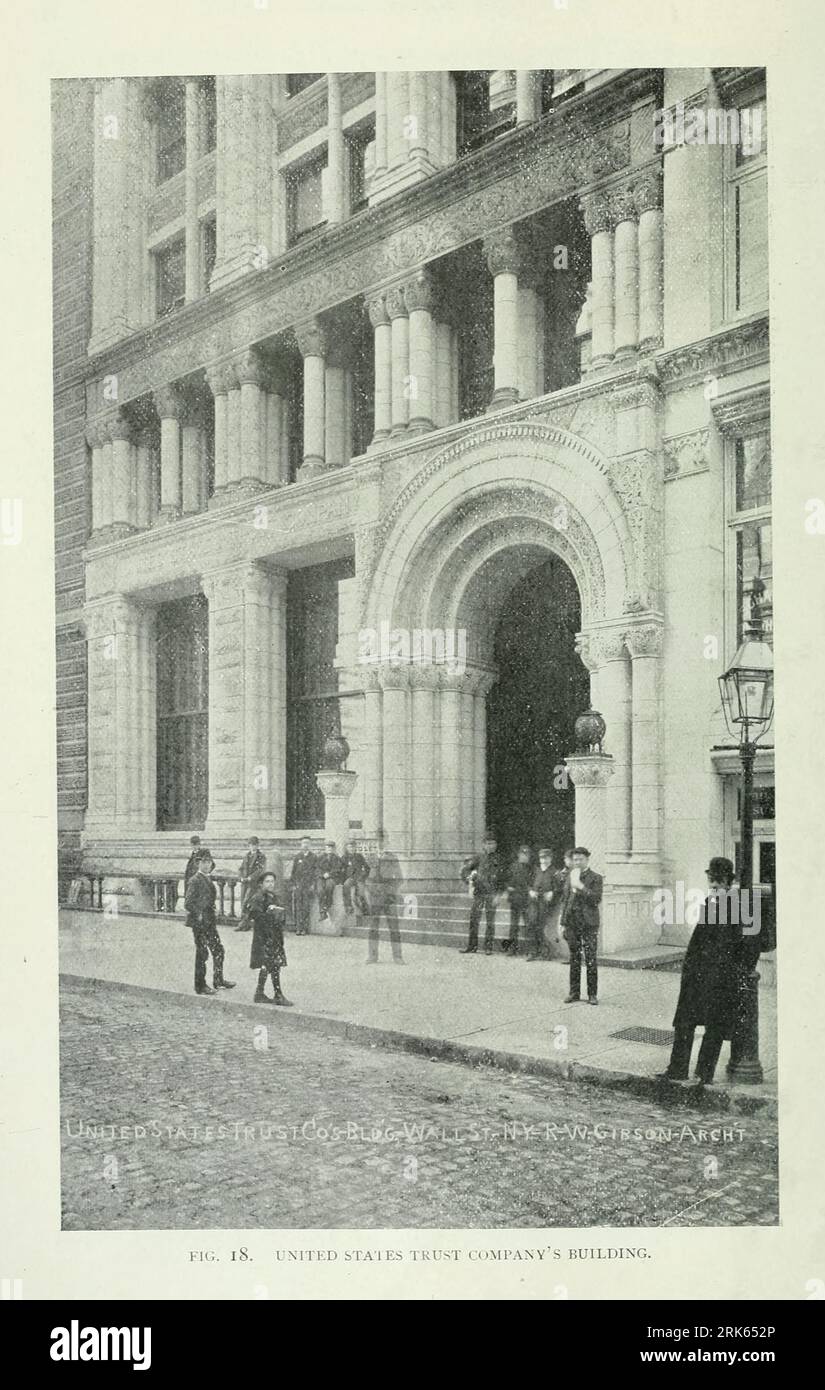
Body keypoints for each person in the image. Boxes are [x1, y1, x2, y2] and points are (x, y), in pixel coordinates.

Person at [661, 857, 743, 1086]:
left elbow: (737, 944)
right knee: (684, 1022)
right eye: (711, 883)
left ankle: (703, 1074)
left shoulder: (737, 905)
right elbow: (699, 939)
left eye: (717, 884)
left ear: (728, 883)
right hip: (697, 975)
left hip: (720, 978)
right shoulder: (710, 902)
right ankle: (677, 1069)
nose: (714, 887)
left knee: (714, 1026)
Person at [184, 850, 236, 996]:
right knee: (202, 953)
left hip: (209, 921)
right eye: (203, 862)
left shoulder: (207, 878)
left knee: (218, 950)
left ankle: (218, 980)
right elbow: (188, 903)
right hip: (199, 923)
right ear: (198, 864)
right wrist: (199, 914)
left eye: (209, 862)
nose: (207, 865)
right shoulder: (195, 880)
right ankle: (200, 986)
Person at [561, 846, 603, 1003]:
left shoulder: (596, 878)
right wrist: (563, 922)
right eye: (575, 859)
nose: (577, 862)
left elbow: (596, 899)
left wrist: (581, 887)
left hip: (589, 923)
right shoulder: (570, 876)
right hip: (572, 922)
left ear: (587, 859)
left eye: (580, 859)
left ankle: (592, 994)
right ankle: (574, 993)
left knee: (591, 958)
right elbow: (565, 900)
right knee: (574, 958)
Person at [247, 871, 291, 1006]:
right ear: (261, 883)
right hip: (264, 936)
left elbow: (283, 914)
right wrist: (269, 913)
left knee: (270, 964)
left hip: (274, 936)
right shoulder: (258, 897)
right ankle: (277, 994)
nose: (270, 884)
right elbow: (254, 914)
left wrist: (279, 913)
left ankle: (260, 993)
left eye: (272, 881)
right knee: (272, 964)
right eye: (267, 881)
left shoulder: (274, 897)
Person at [459, 833, 503, 955]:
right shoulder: (478, 858)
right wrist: (469, 878)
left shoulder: (499, 860)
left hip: (492, 894)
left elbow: (503, 879)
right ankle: (472, 946)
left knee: (490, 922)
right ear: (483, 845)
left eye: (493, 843)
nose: (491, 846)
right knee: (474, 920)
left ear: (496, 845)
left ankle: (488, 947)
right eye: (488, 843)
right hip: (479, 893)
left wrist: (499, 895)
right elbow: (465, 870)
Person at [365, 830, 403, 963]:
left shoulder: (392, 857)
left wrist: (390, 893)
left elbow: (399, 878)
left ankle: (398, 957)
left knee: (394, 927)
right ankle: (372, 956)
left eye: (382, 840)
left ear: (387, 841)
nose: (380, 844)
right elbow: (365, 879)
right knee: (373, 928)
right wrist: (373, 890)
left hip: (389, 898)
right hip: (375, 897)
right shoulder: (369, 858)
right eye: (377, 841)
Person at [527, 847, 558, 961]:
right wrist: (530, 891)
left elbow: (558, 887)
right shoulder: (535, 870)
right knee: (531, 924)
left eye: (546, 857)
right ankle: (532, 951)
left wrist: (552, 892)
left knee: (542, 926)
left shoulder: (554, 872)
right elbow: (528, 883)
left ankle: (545, 951)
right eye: (542, 858)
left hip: (545, 903)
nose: (544, 860)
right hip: (534, 902)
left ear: (551, 859)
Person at [503, 845, 534, 956]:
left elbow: (532, 884)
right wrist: (508, 887)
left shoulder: (532, 868)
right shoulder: (512, 867)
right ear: (519, 855)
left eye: (527, 855)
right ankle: (513, 948)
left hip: (526, 900)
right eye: (523, 854)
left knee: (528, 925)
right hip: (515, 899)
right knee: (514, 925)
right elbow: (506, 880)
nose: (525, 857)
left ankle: (530, 949)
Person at [236, 835, 267, 932]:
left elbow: (260, 870)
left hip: (253, 884)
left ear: (257, 845)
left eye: (254, 845)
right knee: (243, 902)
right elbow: (241, 868)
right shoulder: (246, 856)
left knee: (247, 902)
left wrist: (251, 877)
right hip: (244, 882)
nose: (252, 847)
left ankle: (243, 924)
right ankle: (245, 924)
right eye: (251, 845)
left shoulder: (261, 856)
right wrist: (241, 877)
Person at [289, 837, 317, 935]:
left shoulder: (313, 857)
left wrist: (313, 884)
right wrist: (293, 884)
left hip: (307, 885)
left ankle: (304, 928)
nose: (305, 845)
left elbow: (315, 872)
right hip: (298, 884)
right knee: (298, 906)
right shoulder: (298, 857)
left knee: (305, 906)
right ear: (301, 845)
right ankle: (298, 927)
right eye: (303, 843)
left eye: (307, 843)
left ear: (310, 845)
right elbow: (293, 872)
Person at [316, 839, 344, 921]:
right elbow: (317, 868)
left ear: (334, 849)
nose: (329, 849)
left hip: (332, 877)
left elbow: (338, 869)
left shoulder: (337, 858)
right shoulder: (320, 857)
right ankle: (322, 912)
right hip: (321, 877)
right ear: (325, 848)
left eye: (331, 848)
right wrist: (322, 874)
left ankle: (326, 906)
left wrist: (329, 874)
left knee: (329, 886)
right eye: (328, 847)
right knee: (320, 890)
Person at [341, 839, 371, 916]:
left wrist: (362, 876)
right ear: (347, 848)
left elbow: (367, 868)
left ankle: (365, 909)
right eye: (349, 847)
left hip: (359, 878)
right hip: (350, 878)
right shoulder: (344, 858)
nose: (351, 849)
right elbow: (341, 870)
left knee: (361, 893)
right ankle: (349, 906)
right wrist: (345, 878)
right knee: (346, 886)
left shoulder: (359, 856)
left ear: (355, 848)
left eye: (353, 847)